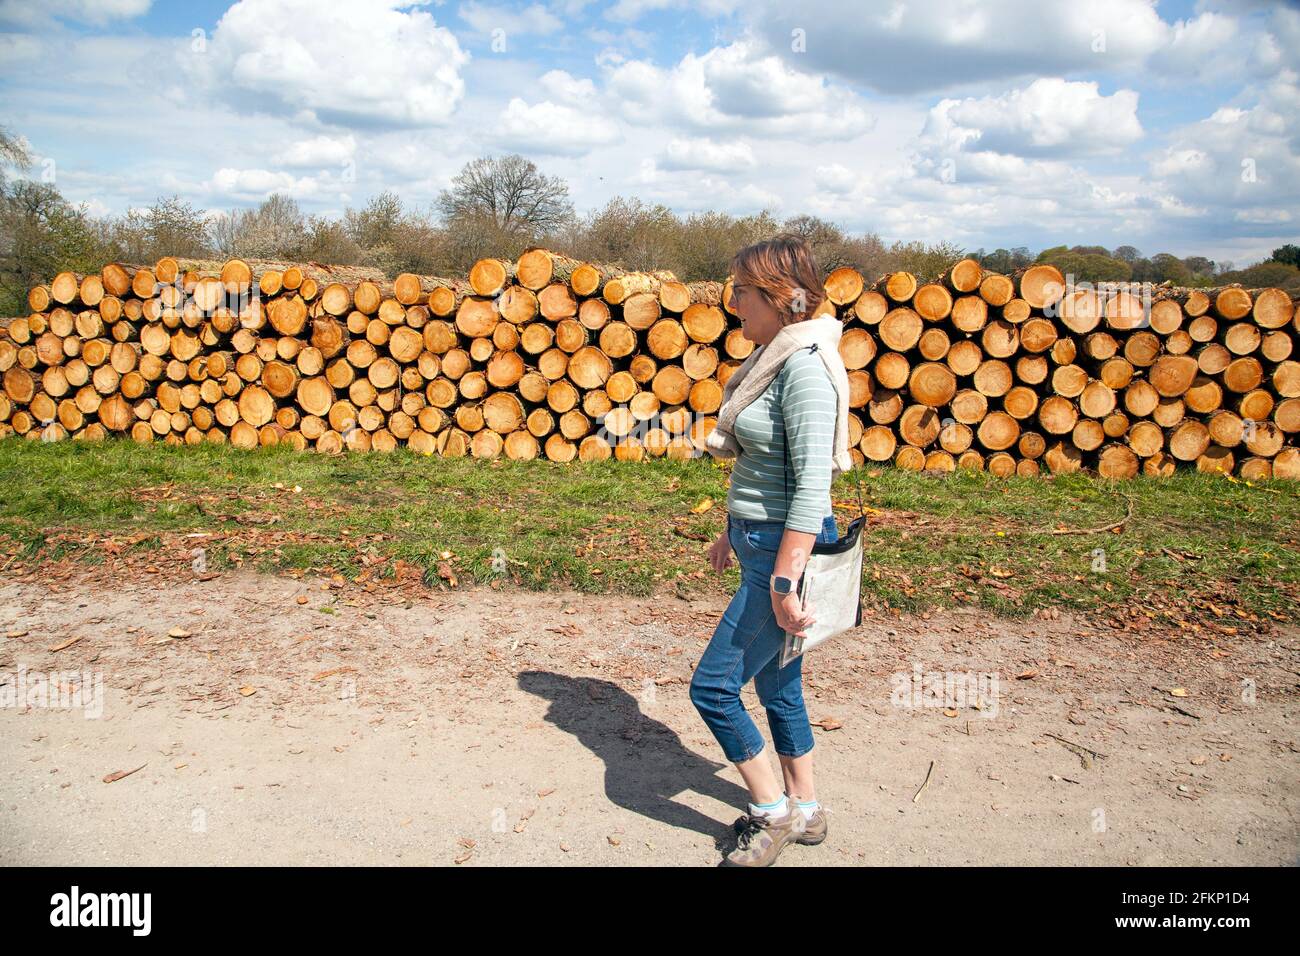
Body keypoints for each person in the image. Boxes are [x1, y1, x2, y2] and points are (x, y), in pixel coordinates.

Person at [692, 233, 852, 867]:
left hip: (784, 554)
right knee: (780, 685)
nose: (733, 305)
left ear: (782, 299)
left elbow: (812, 485)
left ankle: (771, 811)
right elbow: (767, 471)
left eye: (741, 292)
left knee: (713, 688)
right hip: (759, 542)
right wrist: (728, 533)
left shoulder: (806, 369)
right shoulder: (775, 359)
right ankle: (807, 809)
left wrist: (785, 581)